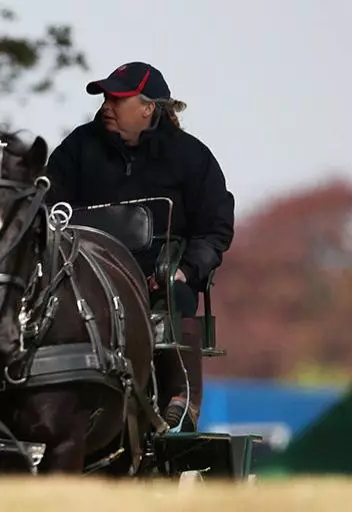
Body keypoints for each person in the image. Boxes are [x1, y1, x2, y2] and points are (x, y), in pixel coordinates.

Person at [43, 61, 236, 432]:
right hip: (84, 270)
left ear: (149, 107)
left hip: (157, 277)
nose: (106, 107)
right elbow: (51, 205)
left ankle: (182, 397)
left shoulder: (192, 157)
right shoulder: (78, 147)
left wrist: (186, 270)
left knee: (178, 293)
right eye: (105, 99)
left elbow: (214, 229)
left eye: (117, 99)